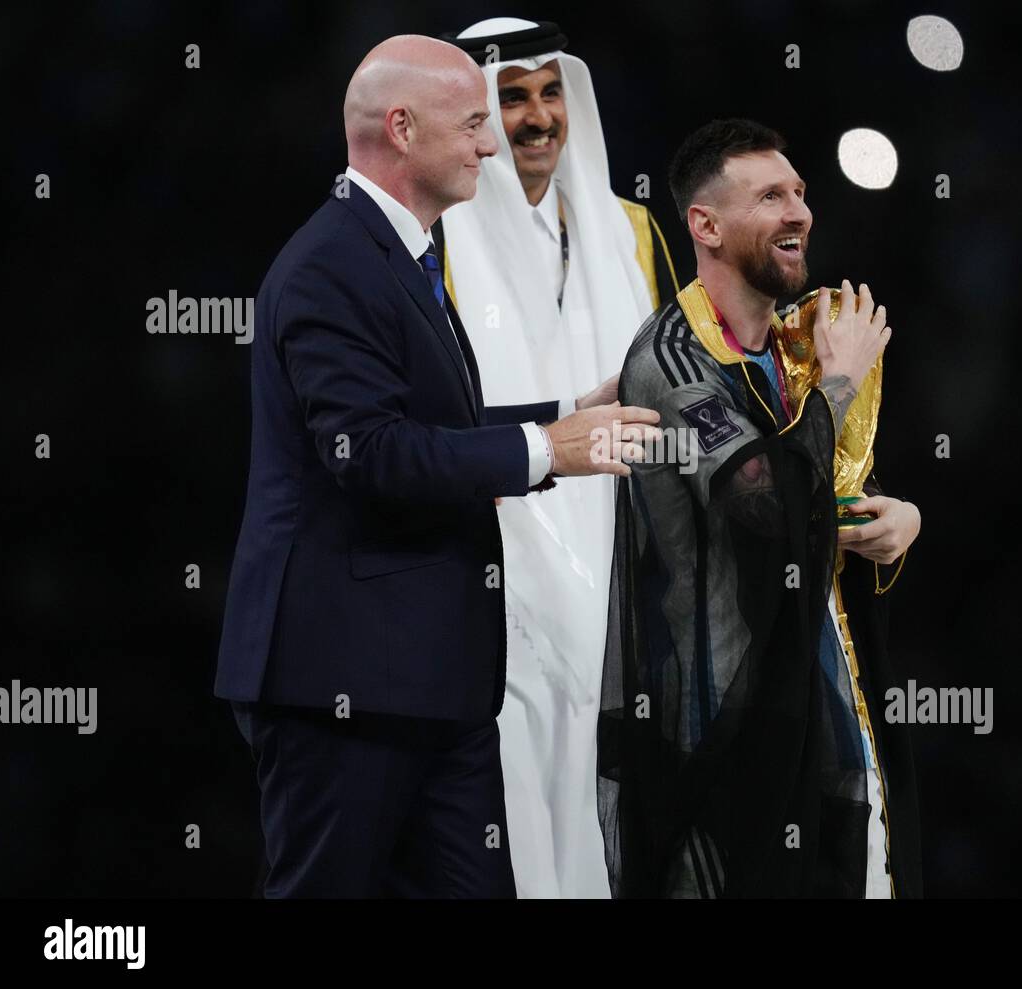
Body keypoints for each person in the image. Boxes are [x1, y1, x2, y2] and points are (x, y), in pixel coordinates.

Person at [214, 34, 658, 898]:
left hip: (435, 684)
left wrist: (568, 413)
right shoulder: (327, 267)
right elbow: (370, 455)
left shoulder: (403, 255)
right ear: (403, 128)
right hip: (341, 681)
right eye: (472, 125)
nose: (491, 145)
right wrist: (545, 453)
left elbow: (433, 427)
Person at [597, 118, 923, 897]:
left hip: (819, 721)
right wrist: (840, 384)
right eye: (771, 195)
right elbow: (769, 504)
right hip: (720, 749)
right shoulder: (671, 360)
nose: (799, 212)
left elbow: (821, 494)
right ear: (705, 225)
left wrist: (895, 519)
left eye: (801, 193)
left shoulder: (788, 347)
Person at [429, 16, 678, 898]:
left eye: (549, 93)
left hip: (623, 585)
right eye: (510, 98)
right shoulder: (435, 240)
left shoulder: (635, 231)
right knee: (519, 828)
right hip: (493, 580)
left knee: (613, 831)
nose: (536, 120)